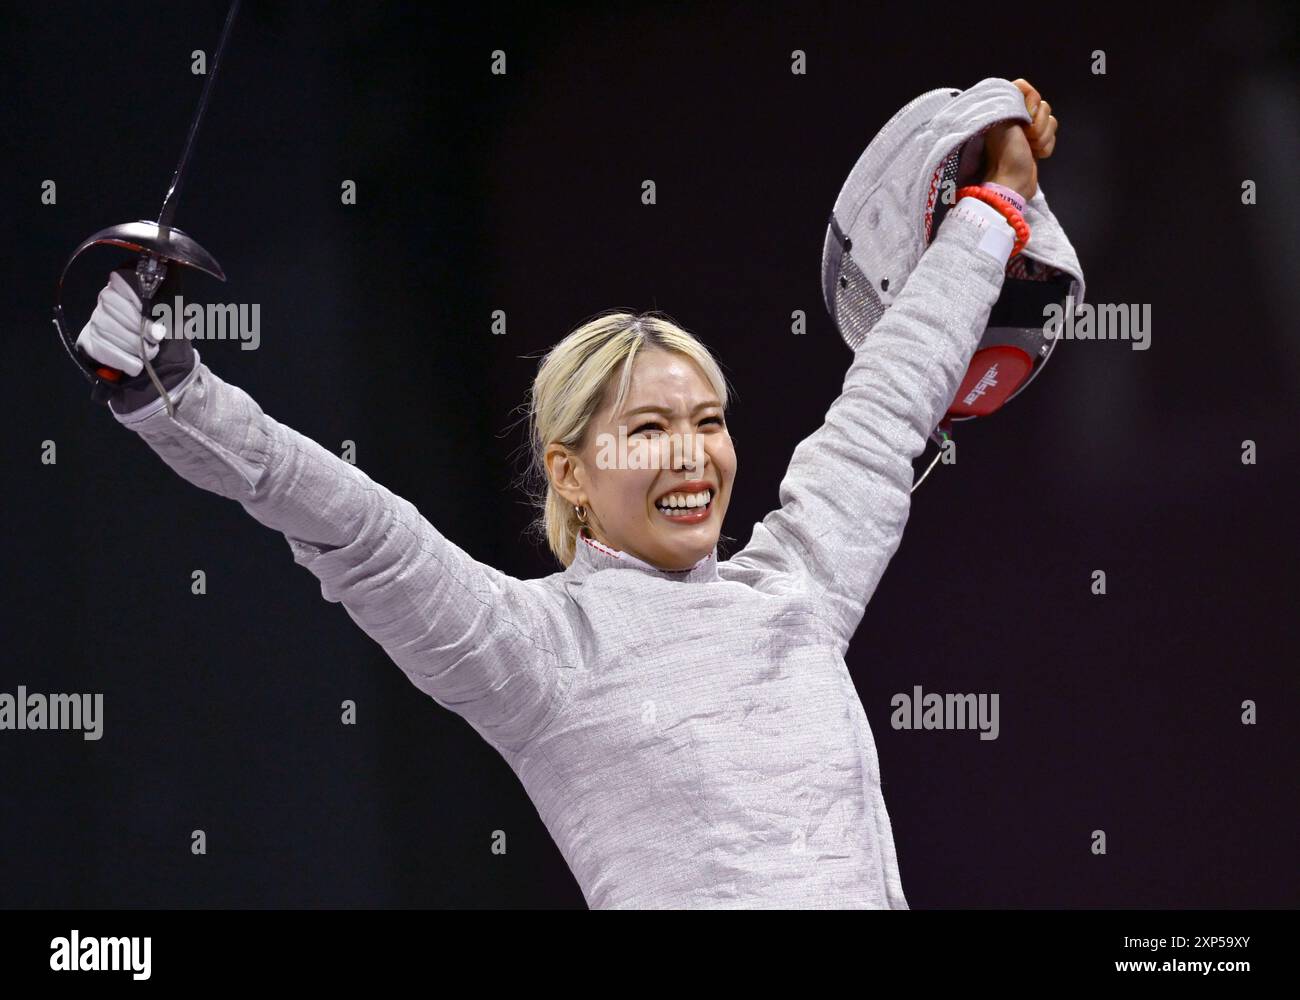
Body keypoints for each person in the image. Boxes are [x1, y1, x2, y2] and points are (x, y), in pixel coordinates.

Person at [74, 80, 1058, 909]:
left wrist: (993, 206)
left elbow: (889, 402)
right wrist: (174, 395)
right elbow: (362, 530)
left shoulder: (793, 590)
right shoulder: (537, 652)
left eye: (706, 421)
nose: (692, 455)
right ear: (570, 473)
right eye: (648, 429)